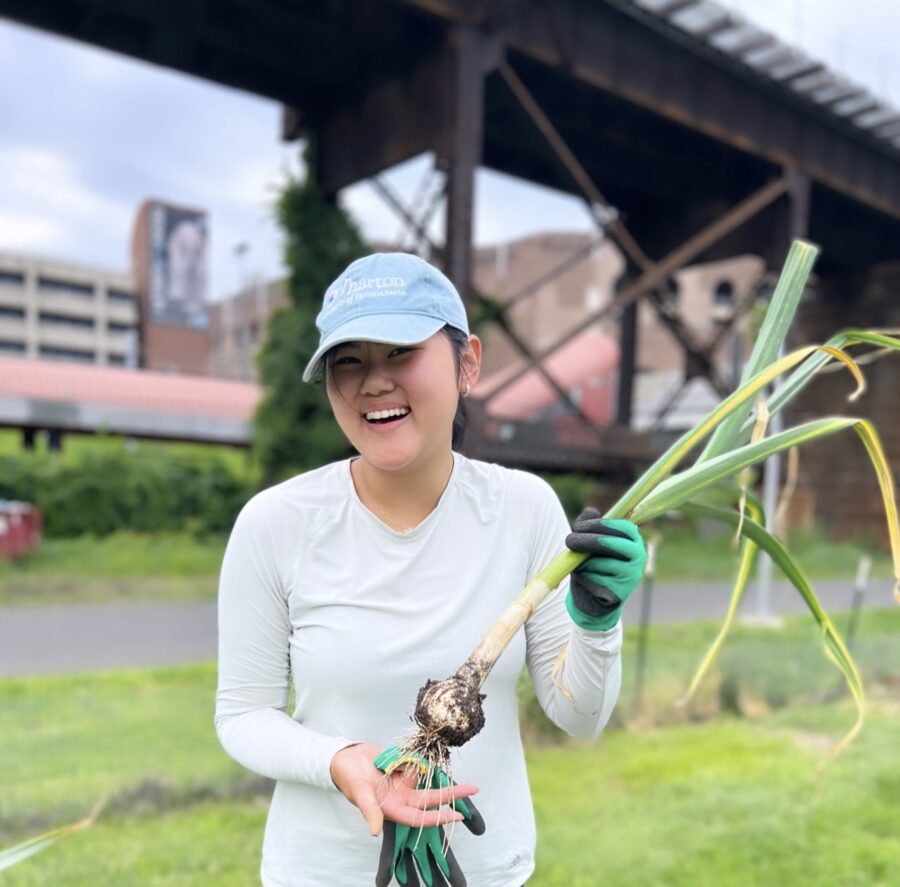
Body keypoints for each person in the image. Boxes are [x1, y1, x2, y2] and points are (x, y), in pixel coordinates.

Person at [215, 252, 646, 887]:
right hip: (322, 873)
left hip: (487, 872)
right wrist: (339, 760)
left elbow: (580, 717)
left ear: (468, 363)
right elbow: (243, 716)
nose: (373, 383)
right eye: (348, 362)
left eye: (401, 353)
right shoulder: (276, 522)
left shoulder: (522, 508)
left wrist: (597, 620)